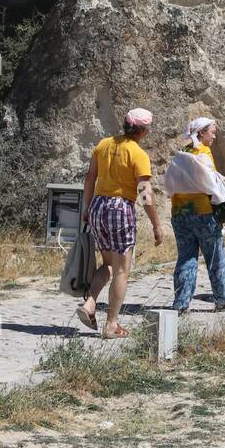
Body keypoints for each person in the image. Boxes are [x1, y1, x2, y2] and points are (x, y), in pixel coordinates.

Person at [79, 107, 163, 338]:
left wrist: (86, 208)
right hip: (119, 208)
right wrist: (156, 224)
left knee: (107, 264)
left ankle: (89, 304)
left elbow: (90, 178)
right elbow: (144, 191)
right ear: (144, 131)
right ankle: (111, 325)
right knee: (122, 271)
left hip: (97, 206)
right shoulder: (137, 154)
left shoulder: (103, 144)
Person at [170, 117, 225, 314]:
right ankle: (224, 298)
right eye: (212, 132)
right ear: (201, 133)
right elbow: (210, 183)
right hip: (203, 213)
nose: (214, 136)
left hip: (179, 212)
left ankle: (181, 303)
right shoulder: (204, 152)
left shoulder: (182, 154)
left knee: (185, 257)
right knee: (215, 256)